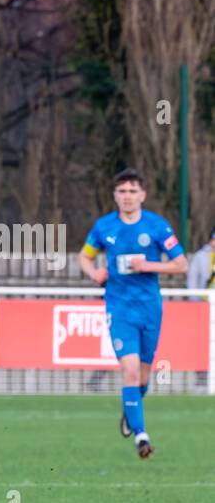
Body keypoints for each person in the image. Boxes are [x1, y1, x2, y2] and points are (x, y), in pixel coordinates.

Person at [78, 168, 187, 459]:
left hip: (149, 309)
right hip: (119, 309)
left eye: (132, 191)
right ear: (115, 196)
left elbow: (181, 264)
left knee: (142, 377)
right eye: (122, 191)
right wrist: (93, 272)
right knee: (129, 371)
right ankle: (141, 435)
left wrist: (148, 266)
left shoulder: (157, 226)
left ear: (143, 195)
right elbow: (85, 256)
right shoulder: (104, 227)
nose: (127, 196)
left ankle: (130, 411)